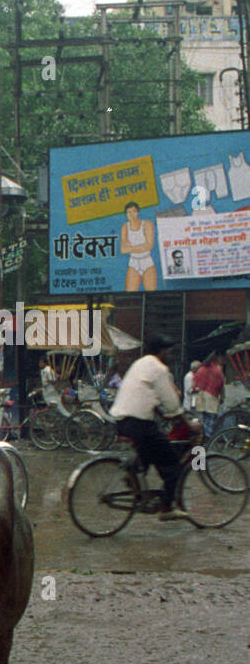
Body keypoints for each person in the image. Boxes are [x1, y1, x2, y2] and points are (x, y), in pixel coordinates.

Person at [108, 333, 189, 521]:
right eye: (167, 350)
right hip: (139, 424)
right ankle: (167, 508)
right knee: (173, 465)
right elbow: (171, 402)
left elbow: (151, 398)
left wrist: (165, 414)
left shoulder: (139, 364)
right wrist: (186, 422)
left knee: (151, 451)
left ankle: (133, 472)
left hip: (122, 421)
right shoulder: (158, 368)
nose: (169, 353)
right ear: (161, 351)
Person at [119, 202, 157, 291]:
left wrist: (131, 248)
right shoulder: (125, 227)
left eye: (134, 211)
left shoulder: (147, 224)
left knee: (151, 294)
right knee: (130, 294)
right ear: (126, 214)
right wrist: (141, 247)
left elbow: (149, 246)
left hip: (147, 261)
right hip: (133, 262)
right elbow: (123, 249)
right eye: (129, 212)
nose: (131, 215)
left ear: (138, 212)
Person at [192, 352, 226, 437]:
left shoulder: (202, 368)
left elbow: (196, 383)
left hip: (201, 397)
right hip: (211, 398)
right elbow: (221, 384)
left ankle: (203, 438)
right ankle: (208, 439)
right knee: (211, 419)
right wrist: (222, 397)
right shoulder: (217, 369)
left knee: (204, 419)